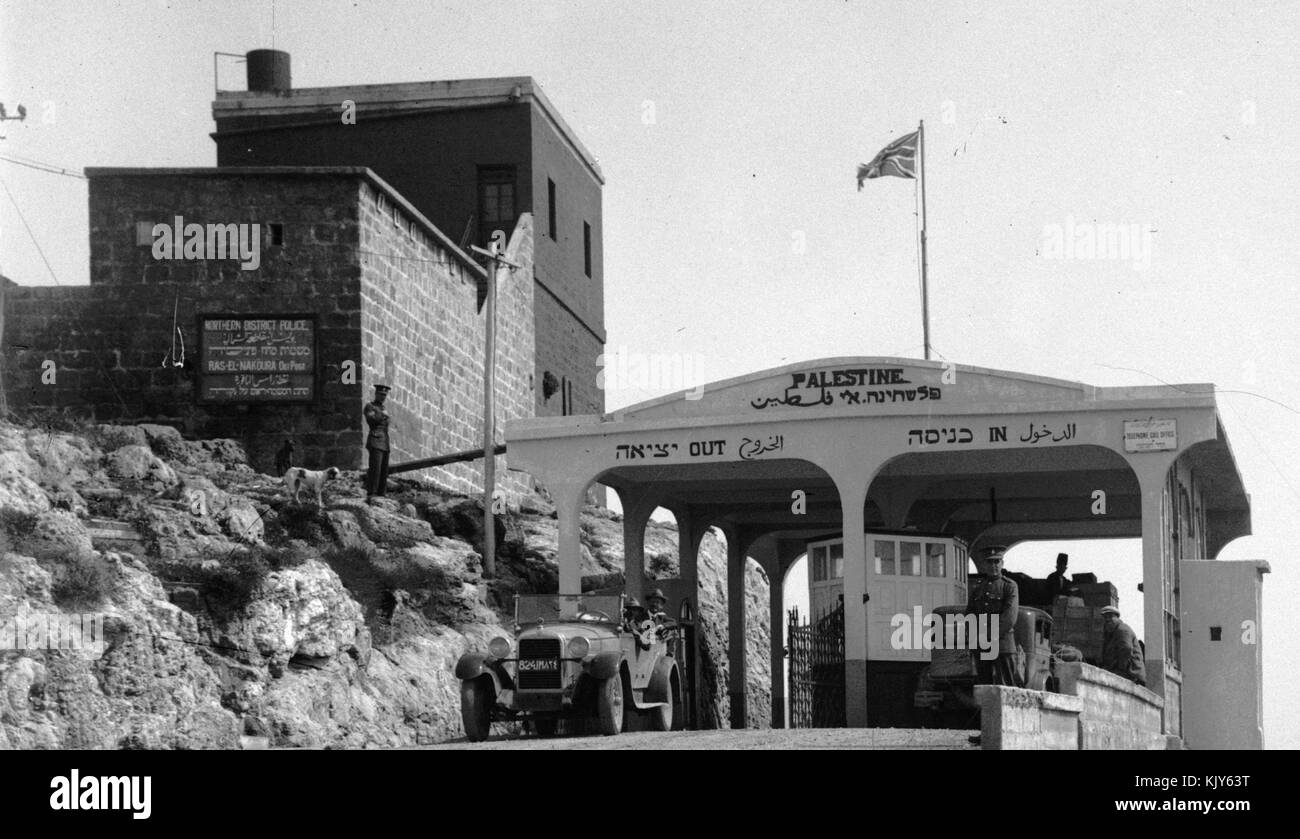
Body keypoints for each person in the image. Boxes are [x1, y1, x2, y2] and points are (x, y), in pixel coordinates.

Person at [966, 545, 1021, 688]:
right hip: (982, 645)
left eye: (997, 561)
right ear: (984, 565)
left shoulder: (1009, 586)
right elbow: (970, 615)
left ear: (1002, 563)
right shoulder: (978, 588)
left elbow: (1009, 618)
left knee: (1007, 687)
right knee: (984, 687)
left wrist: (989, 636)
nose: (993, 565)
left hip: (1002, 644)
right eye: (989, 562)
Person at [1101, 606, 1147, 686]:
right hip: (1122, 671)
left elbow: (1126, 650)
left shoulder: (1122, 630)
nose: (1108, 620)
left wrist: (1119, 669)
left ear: (1117, 617)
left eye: (1111, 617)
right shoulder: (1110, 633)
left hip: (1132, 673)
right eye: (1105, 618)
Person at [364, 384, 392, 498]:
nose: (383, 397)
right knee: (375, 468)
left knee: (384, 470)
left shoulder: (384, 409)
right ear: (376, 394)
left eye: (384, 395)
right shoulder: (370, 406)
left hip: (384, 441)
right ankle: (372, 492)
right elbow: (371, 420)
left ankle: (382, 493)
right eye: (381, 394)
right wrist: (382, 415)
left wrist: (383, 414)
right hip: (375, 440)